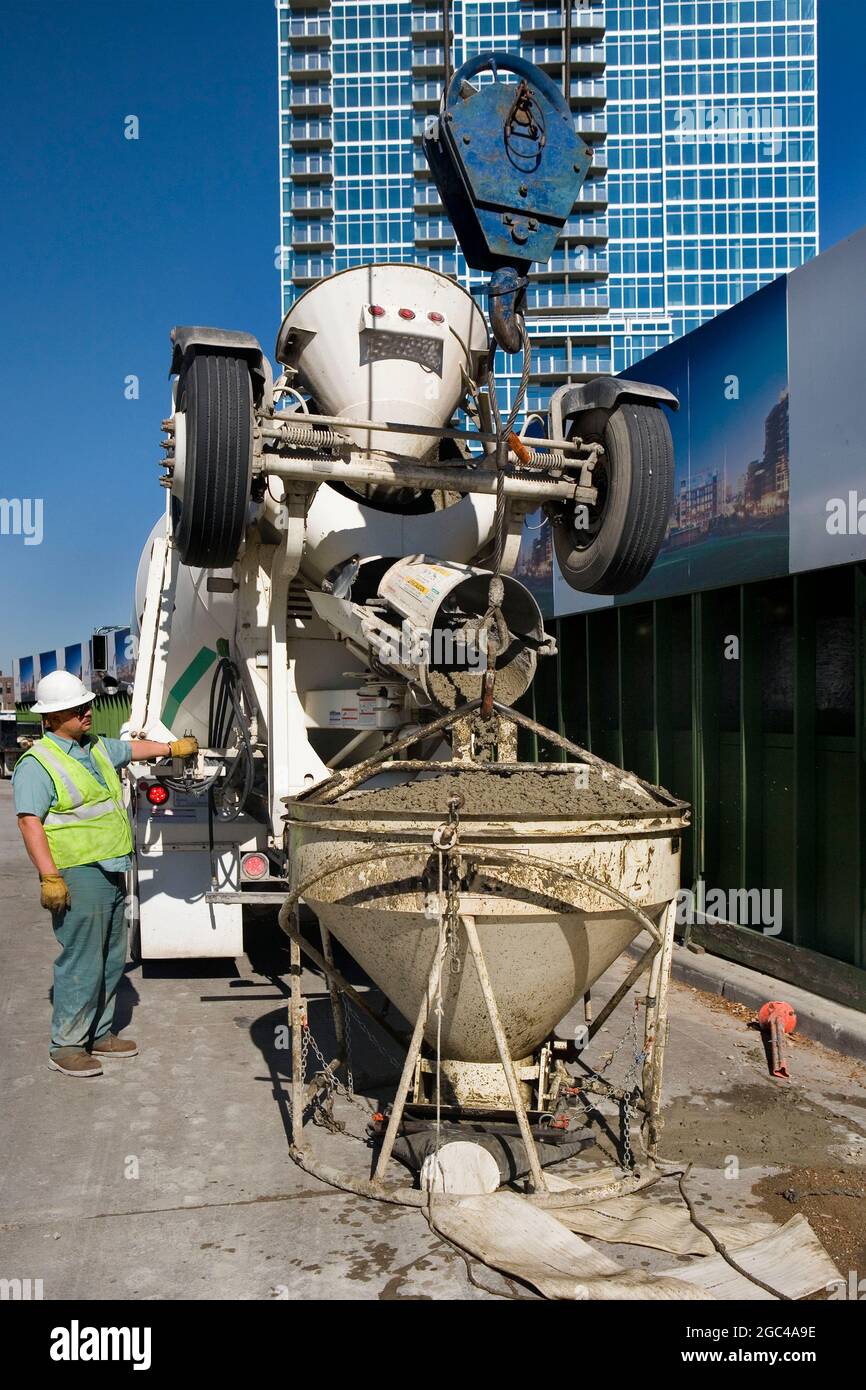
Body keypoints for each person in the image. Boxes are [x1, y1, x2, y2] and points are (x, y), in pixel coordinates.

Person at [12, 670, 198, 1078]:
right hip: (78, 872)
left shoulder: (94, 747)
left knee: (112, 956)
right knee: (82, 960)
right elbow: (30, 822)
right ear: (52, 717)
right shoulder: (38, 763)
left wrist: (171, 746)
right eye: (77, 709)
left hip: (113, 865)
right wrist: (49, 876)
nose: (87, 712)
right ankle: (66, 1046)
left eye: (86, 705)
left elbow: (132, 749)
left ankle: (99, 1032)